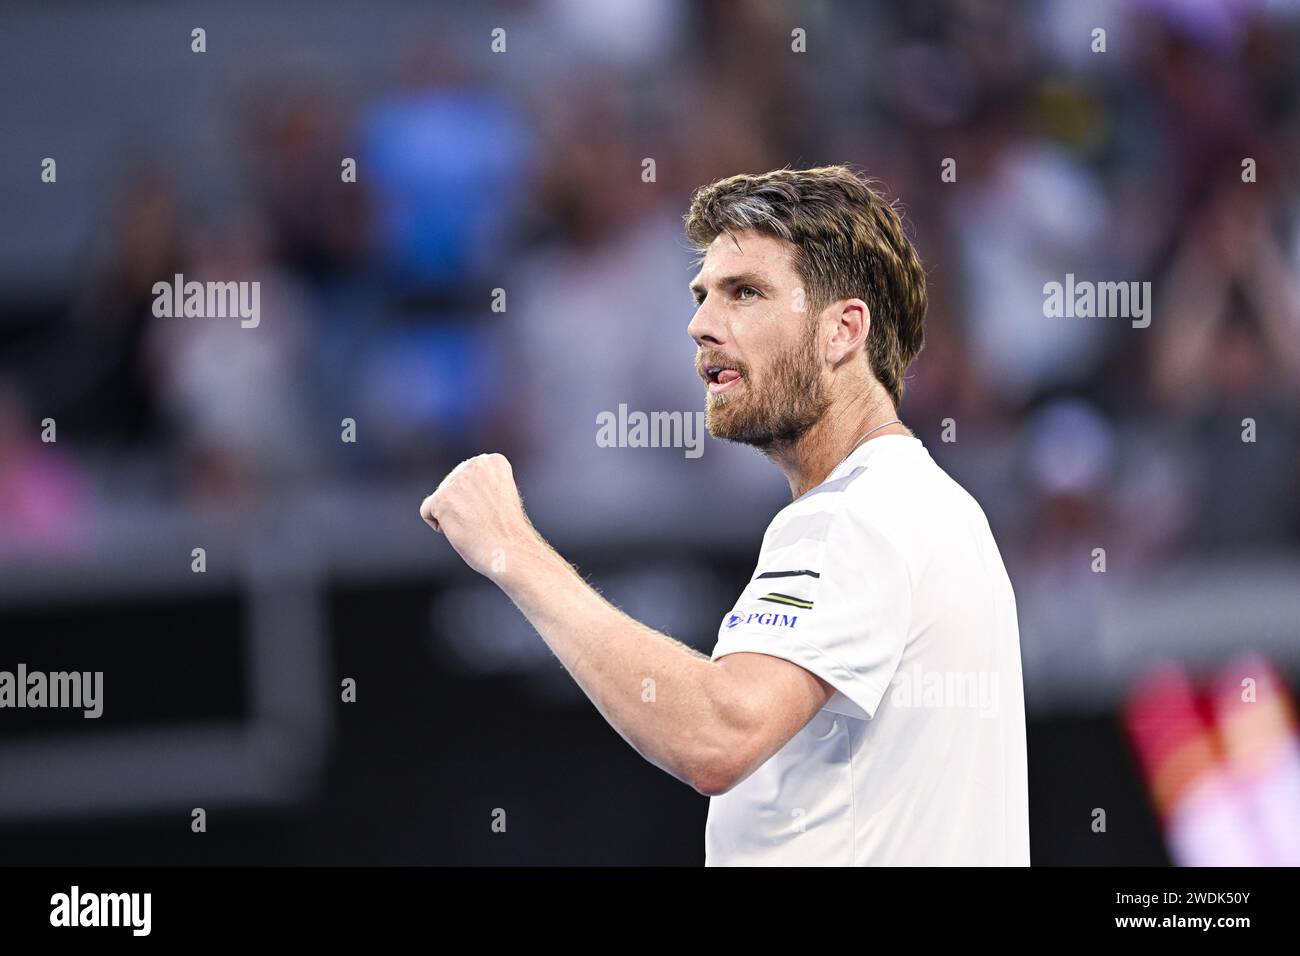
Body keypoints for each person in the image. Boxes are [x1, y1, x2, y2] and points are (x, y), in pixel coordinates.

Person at [420, 166, 1029, 865]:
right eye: (702, 296)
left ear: (842, 330)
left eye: (746, 293)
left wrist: (511, 550)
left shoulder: (855, 517)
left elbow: (719, 733)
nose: (701, 325)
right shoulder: (928, 505)